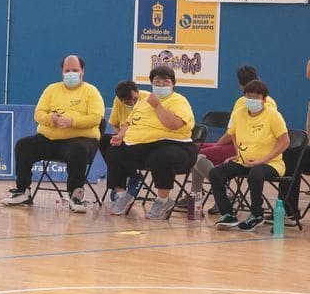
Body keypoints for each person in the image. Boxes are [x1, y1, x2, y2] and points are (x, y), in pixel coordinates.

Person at [2, 55, 104, 213]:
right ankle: (23, 192)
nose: (71, 73)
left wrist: (72, 122)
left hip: (80, 140)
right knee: (23, 146)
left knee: (78, 149)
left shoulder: (91, 91)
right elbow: (38, 114)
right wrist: (50, 118)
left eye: (75, 70)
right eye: (67, 70)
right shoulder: (51, 89)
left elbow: (96, 118)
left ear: (82, 72)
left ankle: (75, 196)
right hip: (50, 139)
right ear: (62, 72)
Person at [104, 65, 197, 219]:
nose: (160, 85)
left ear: (173, 84)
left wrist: (158, 105)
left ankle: (163, 200)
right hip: (143, 147)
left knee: (161, 156)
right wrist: (121, 135)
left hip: (177, 147)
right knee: (113, 148)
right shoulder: (143, 101)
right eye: (157, 81)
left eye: (165, 82)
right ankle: (122, 195)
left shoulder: (179, 101)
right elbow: (129, 122)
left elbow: (173, 124)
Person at [209, 80, 289, 231]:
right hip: (244, 161)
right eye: (248, 97)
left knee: (255, 174)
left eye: (256, 97)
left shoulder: (273, 115)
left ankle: (256, 214)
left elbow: (285, 142)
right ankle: (227, 213)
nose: (251, 100)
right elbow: (232, 134)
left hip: (270, 164)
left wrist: (262, 160)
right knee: (215, 173)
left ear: (264, 99)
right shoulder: (239, 114)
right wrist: (238, 153)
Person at [190, 65, 277, 194]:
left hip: (245, 149)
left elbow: (231, 134)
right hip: (247, 146)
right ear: (258, 78)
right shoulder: (270, 101)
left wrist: (217, 146)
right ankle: (195, 194)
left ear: (240, 85)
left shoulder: (243, 101)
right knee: (194, 148)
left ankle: (222, 190)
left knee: (196, 155)